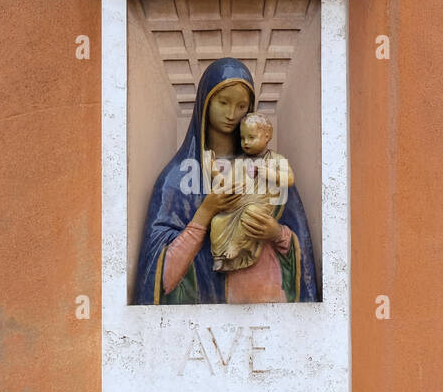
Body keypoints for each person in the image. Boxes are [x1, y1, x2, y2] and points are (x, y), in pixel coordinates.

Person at [134, 57, 318, 304]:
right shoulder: (177, 178)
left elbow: (300, 255)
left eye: (242, 106)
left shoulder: (268, 166)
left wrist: (276, 234)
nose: (232, 114)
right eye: (223, 103)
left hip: (267, 303)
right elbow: (159, 276)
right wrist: (206, 211)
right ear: (206, 102)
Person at [209, 111, 294, 276]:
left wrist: (271, 174)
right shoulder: (240, 162)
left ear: (267, 136)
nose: (246, 142)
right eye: (242, 138)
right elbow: (227, 184)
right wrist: (213, 171)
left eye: (251, 137)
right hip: (237, 206)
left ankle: (236, 247)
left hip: (259, 206)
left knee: (251, 215)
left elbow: (289, 179)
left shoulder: (275, 159)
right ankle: (219, 256)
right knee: (217, 221)